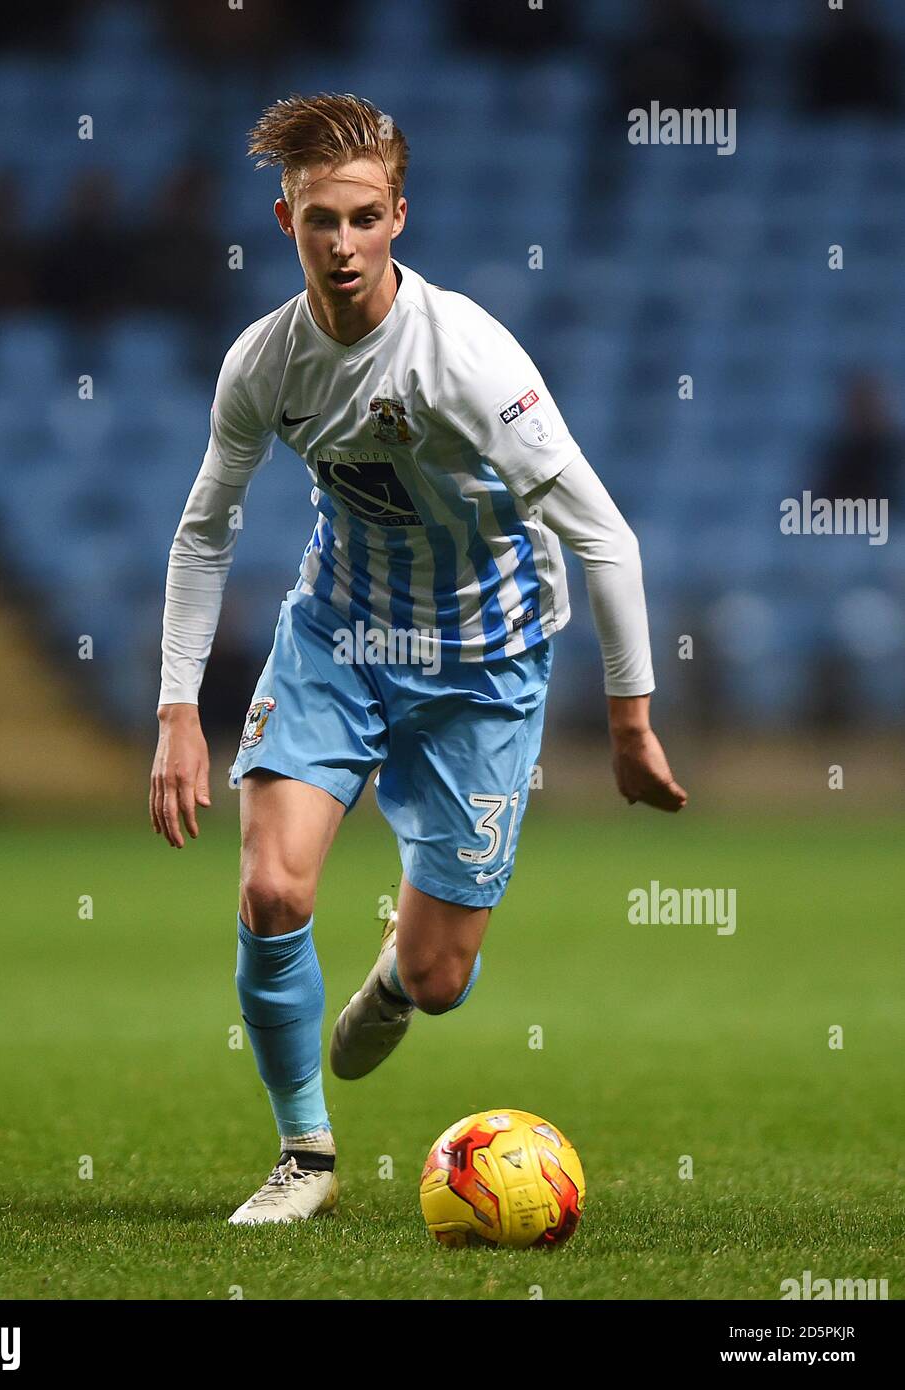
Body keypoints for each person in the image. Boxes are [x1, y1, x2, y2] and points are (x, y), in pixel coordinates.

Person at [149, 93, 686, 1225]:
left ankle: (397, 971)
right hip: (339, 634)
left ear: (399, 217)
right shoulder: (265, 363)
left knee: (441, 981)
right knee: (270, 885)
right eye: (316, 222)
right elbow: (205, 531)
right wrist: (174, 712)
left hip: (483, 662)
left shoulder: (468, 361)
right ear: (285, 219)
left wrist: (631, 725)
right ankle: (305, 1153)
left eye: (361, 218)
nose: (339, 246)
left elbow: (606, 537)